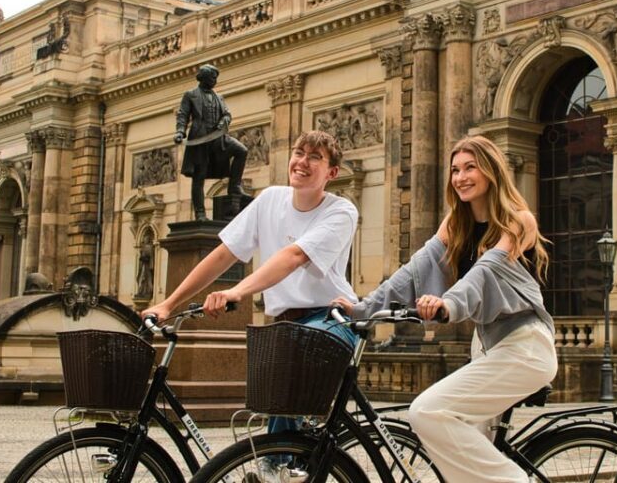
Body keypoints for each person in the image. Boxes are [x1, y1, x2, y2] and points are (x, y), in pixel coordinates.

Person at [335, 135, 556, 483]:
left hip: (525, 346)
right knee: (462, 462)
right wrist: (362, 309)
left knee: (426, 411)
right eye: (455, 170)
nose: (461, 177)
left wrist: (447, 303)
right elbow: (416, 270)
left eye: (471, 168)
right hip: (486, 346)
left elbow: (489, 269)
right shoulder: (457, 222)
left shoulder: (519, 220)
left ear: (491, 172)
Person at [145, 130, 359, 457]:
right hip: (286, 325)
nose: (302, 162)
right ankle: (287, 463)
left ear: (331, 173)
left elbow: (294, 256)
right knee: (279, 392)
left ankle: (279, 466)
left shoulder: (341, 211)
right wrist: (168, 303)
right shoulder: (271, 199)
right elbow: (223, 254)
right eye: (299, 152)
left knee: (289, 364)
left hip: (333, 320)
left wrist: (237, 291)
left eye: (315, 157)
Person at [174, 64, 248, 220]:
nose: (215, 80)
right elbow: (183, 115)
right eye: (213, 77)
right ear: (203, 77)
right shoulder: (190, 95)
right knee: (198, 177)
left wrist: (224, 121)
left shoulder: (219, 97)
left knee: (241, 151)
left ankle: (234, 187)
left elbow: (227, 114)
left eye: (216, 77)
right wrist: (180, 132)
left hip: (218, 138)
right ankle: (200, 213)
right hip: (200, 139)